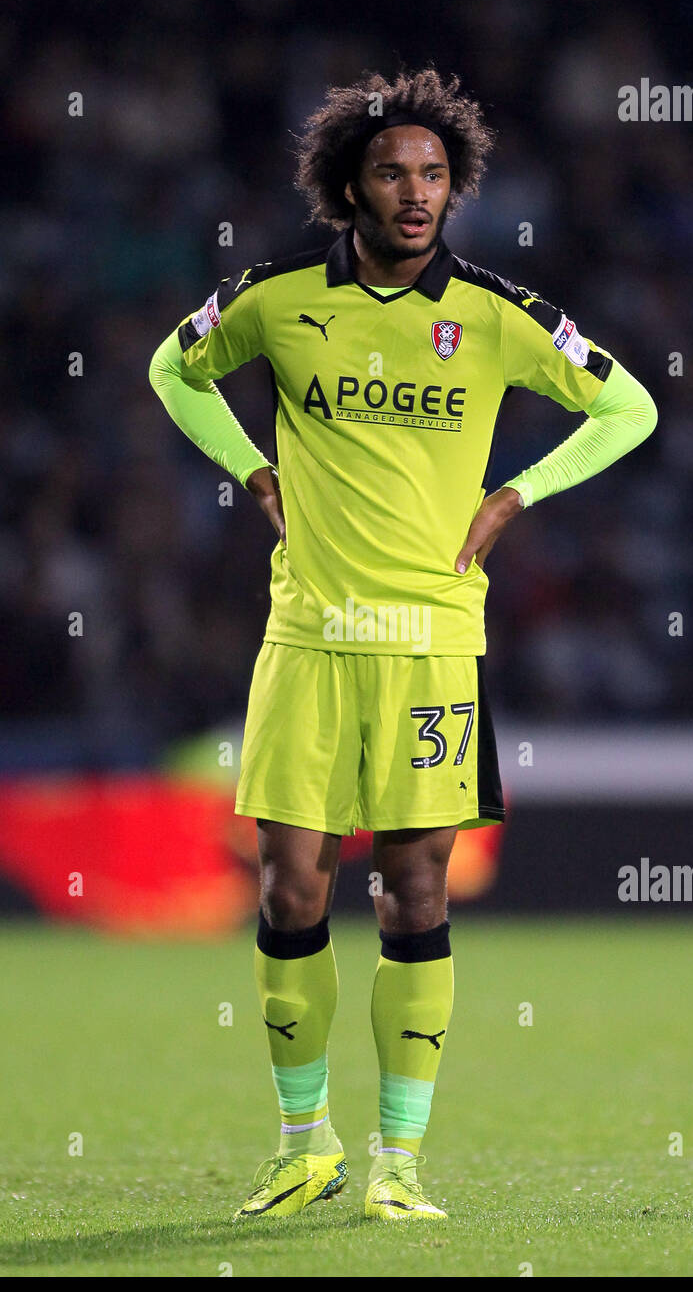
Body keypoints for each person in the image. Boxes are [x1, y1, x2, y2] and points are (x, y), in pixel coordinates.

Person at [149, 66, 657, 1223]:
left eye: (434, 174)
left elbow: (631, 408)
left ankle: (400, 1162)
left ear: (455, 186)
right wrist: (251, 467)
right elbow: (171, 369)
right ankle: (301, 1142)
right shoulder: (277, 298)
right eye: (393, 173)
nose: (416, 192)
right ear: (350, 185)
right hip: (311, 636)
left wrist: (518, 494)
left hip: (432, 640)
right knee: (288, 887)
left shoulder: (494, 313)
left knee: (415, 888)